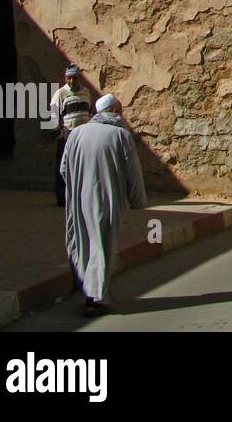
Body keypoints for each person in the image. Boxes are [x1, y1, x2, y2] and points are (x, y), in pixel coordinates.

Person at [60, 93, 146, 315]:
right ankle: (96, 298)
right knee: (102, 245)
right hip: (107, 197)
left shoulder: (76, 133)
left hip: (78, 199)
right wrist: (138, 200)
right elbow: (133, 172)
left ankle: (86, 288)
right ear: (116, 111)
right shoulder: (120, 135)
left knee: (82, 242)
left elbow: (63, 169)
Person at [50, 65, 92, 206]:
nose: (72, 81)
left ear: (79, 78)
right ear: (65, 78)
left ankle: (80, 197)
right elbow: (54, 115)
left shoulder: (86, 93)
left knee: (82, 166)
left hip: (83, 136)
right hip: (67, 135)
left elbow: (89, 112)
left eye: (74, 78)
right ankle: (62, 198)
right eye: (69, 78)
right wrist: (60, 133)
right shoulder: (60, 94)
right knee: (64, 166)